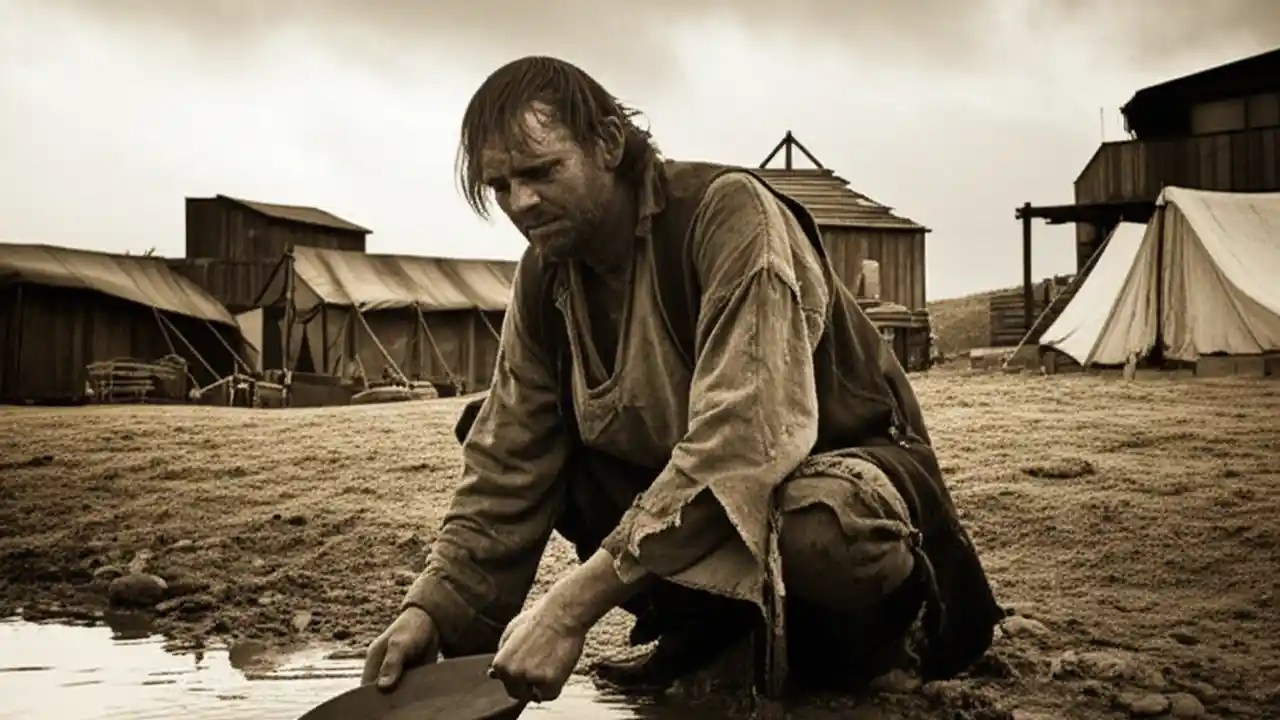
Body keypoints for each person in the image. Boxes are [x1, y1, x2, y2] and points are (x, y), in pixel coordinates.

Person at [361, 55, 1004, 705]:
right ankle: (712, 640)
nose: (520, 202)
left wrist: (567, 611)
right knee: (500, 433)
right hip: (702, 509)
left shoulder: (728, 216)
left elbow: (747, 442)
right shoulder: (545, 274)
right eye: (500, 186)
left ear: (609, 143)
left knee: (816, 527)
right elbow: (508, 458)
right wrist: (434, 611)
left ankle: (875, 654)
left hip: (836, 479)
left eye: (541, 171)